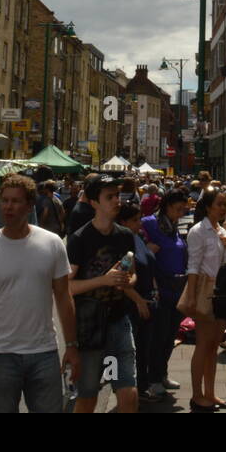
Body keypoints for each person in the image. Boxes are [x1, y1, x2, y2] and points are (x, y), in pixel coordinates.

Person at [0, 175, 77, 412]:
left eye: (16, 201)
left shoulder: (52, 244)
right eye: (5, 201)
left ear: (30, 205)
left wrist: (72, 346)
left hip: (43, 352)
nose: (9, 206)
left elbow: (64, 296)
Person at [68, 176, 143, 413]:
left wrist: (126, 281)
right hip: (90, 327)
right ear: (94, 203)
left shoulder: (124, 235)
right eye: (109, 197)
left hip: (120, 322)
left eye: (117, 195)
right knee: (88, 396)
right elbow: (66, 287)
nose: (116, 201)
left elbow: (133, 276)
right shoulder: (80, 238)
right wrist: (104, 280)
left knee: (129, 393)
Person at [185, 186, 226, 411]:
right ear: (207, 207)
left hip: (221, 292)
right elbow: (193, 265)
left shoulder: (221, 230)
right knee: (203, 344)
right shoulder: (198, 231)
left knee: (213, 345)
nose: (224, 208)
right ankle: (196, 395)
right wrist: (192, 296)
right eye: (220, 204)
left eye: (225, 204)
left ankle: (211, 394)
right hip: (204, 290)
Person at [141, 187, 189, 397]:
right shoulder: (150, 223)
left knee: (170, 336)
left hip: (177, 289)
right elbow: (136, 246)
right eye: (178, 209)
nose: (181, 213)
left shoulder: (174, 226)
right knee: (158, 336)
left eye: (183, 209)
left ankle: (162, 373)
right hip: (159, 288)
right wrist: (146, 248)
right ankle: (152, 378)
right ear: (167, 206)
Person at [116, 203, 162, 402]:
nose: (139, 223)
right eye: (135, 220)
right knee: (135, 350)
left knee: (145, 347)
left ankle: (141, 388)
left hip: (148, 298)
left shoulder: (139, 238)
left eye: (140, 218)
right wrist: (138, 301)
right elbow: (122, 279)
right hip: (134, 303)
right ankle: (134, 391)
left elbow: (149, 264)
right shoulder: (123, 243)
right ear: (123, 222)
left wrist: (155, 288)